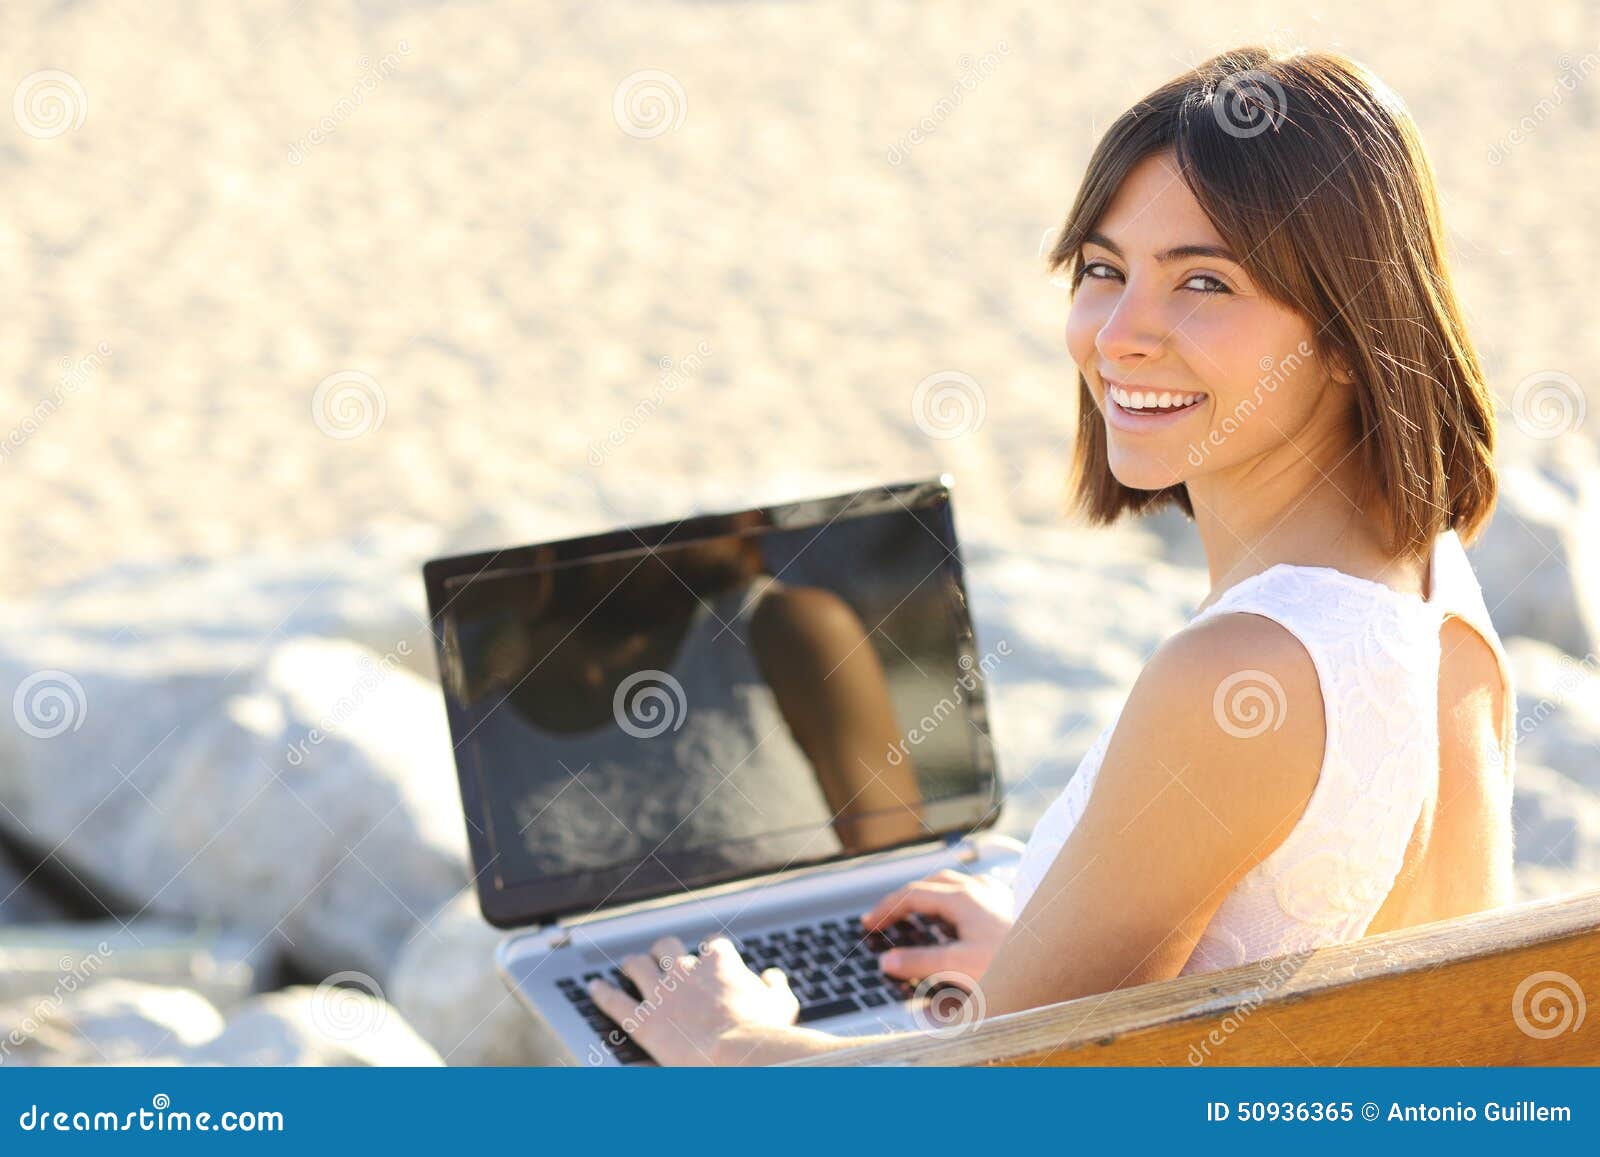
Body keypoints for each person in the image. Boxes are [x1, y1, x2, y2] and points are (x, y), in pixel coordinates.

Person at [585, 44, 1517, 1065]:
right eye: (1103, 270)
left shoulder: (1237, 675)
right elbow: (1403, 1005)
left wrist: (725, 1038)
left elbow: (979, 1106)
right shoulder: (1436, 591)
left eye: (1202, 282)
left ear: (1348, 331)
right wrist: (1045, 951)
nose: (1119, 335)